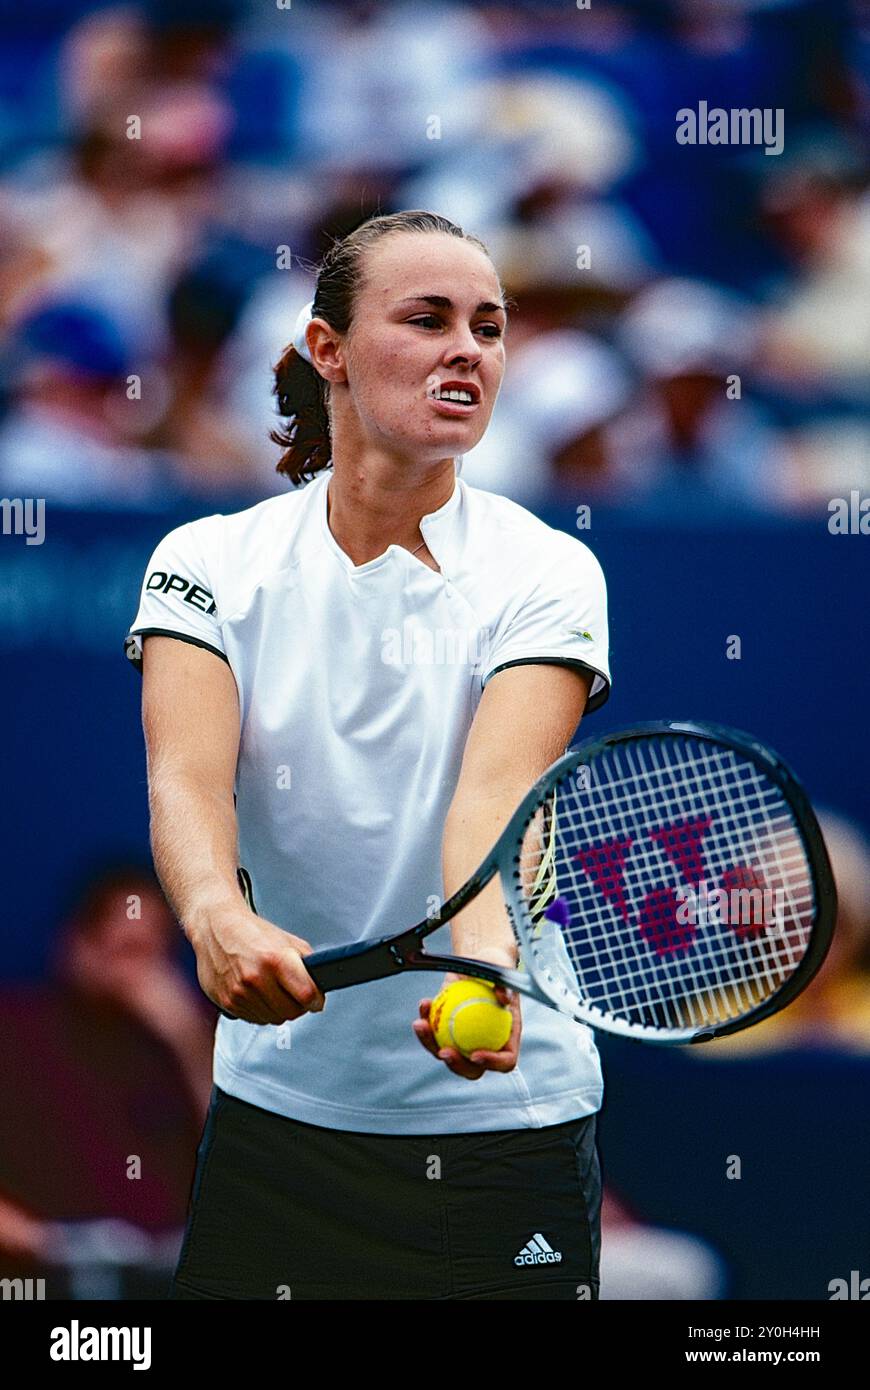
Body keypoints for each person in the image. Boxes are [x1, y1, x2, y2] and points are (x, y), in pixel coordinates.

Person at [124, 209, 612, 1300]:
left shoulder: (551, 570)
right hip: (282, 1123)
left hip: (502, 1137)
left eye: (488, 328)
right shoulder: (207, 561)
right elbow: (187, 777)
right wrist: (215, 920)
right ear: (327, 351)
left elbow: (497, 796)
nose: (468, 350)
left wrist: (483, 969)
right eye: (427, 319)